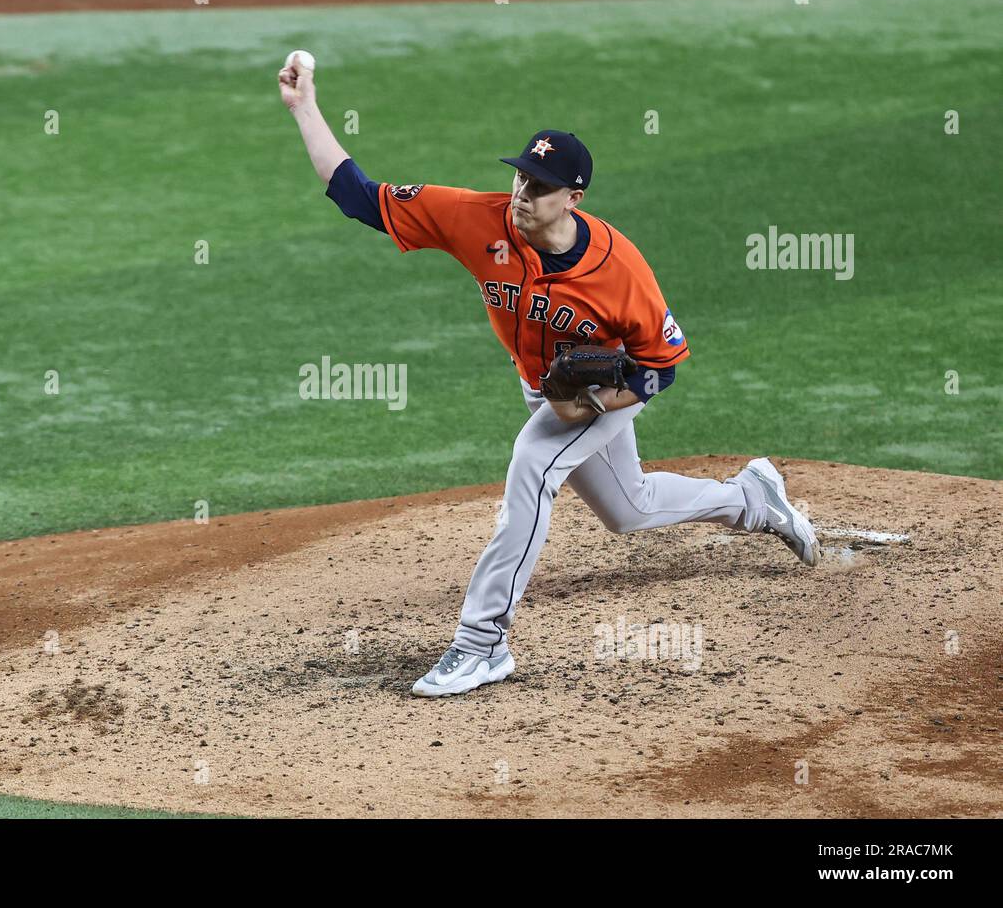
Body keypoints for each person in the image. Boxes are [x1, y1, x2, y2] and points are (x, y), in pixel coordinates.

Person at [278, 55, 819, 698]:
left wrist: (591, 402)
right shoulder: (482, 221)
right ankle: (752, 499)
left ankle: (483, 643)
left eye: (538, 187)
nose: (521, 195)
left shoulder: (621, 272)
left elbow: (660, 370)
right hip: (547, 385)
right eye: (519, 179)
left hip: (607, 391)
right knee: (628, 507)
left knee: (534, 463)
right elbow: (358, 198)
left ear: (573, 197)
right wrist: (305, 107)